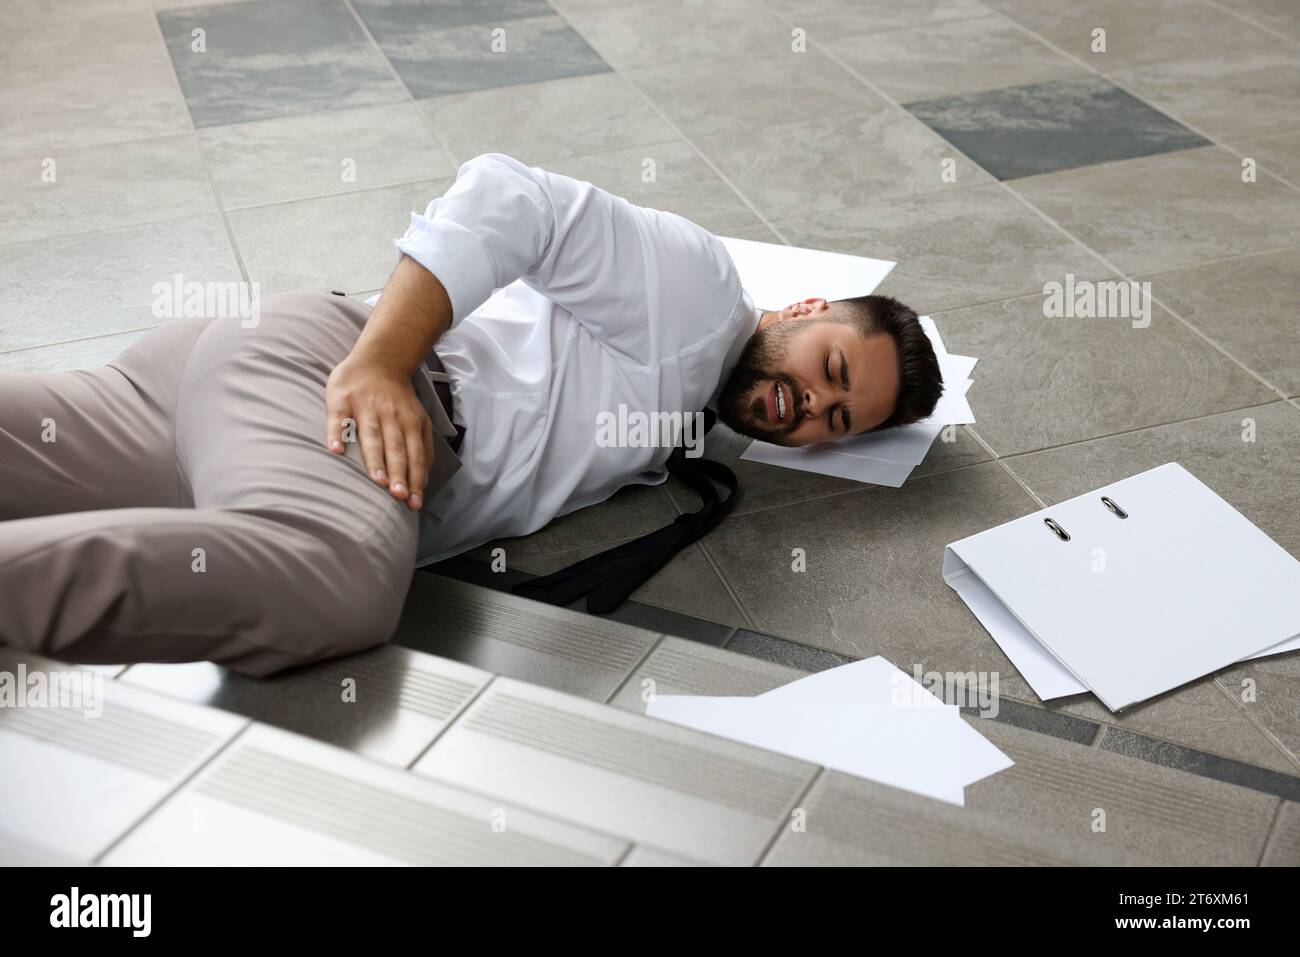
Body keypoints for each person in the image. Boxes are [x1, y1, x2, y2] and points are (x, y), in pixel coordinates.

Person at [0, 154, 941, 675]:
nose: (810, 403)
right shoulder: (699, 292)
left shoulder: (693, 405)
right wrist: (378, 364)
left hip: (226, 398)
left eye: (836, 418)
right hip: (346, 397)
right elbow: (508, 194)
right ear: (805, 309)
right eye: (829, 370)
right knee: (337, 581)